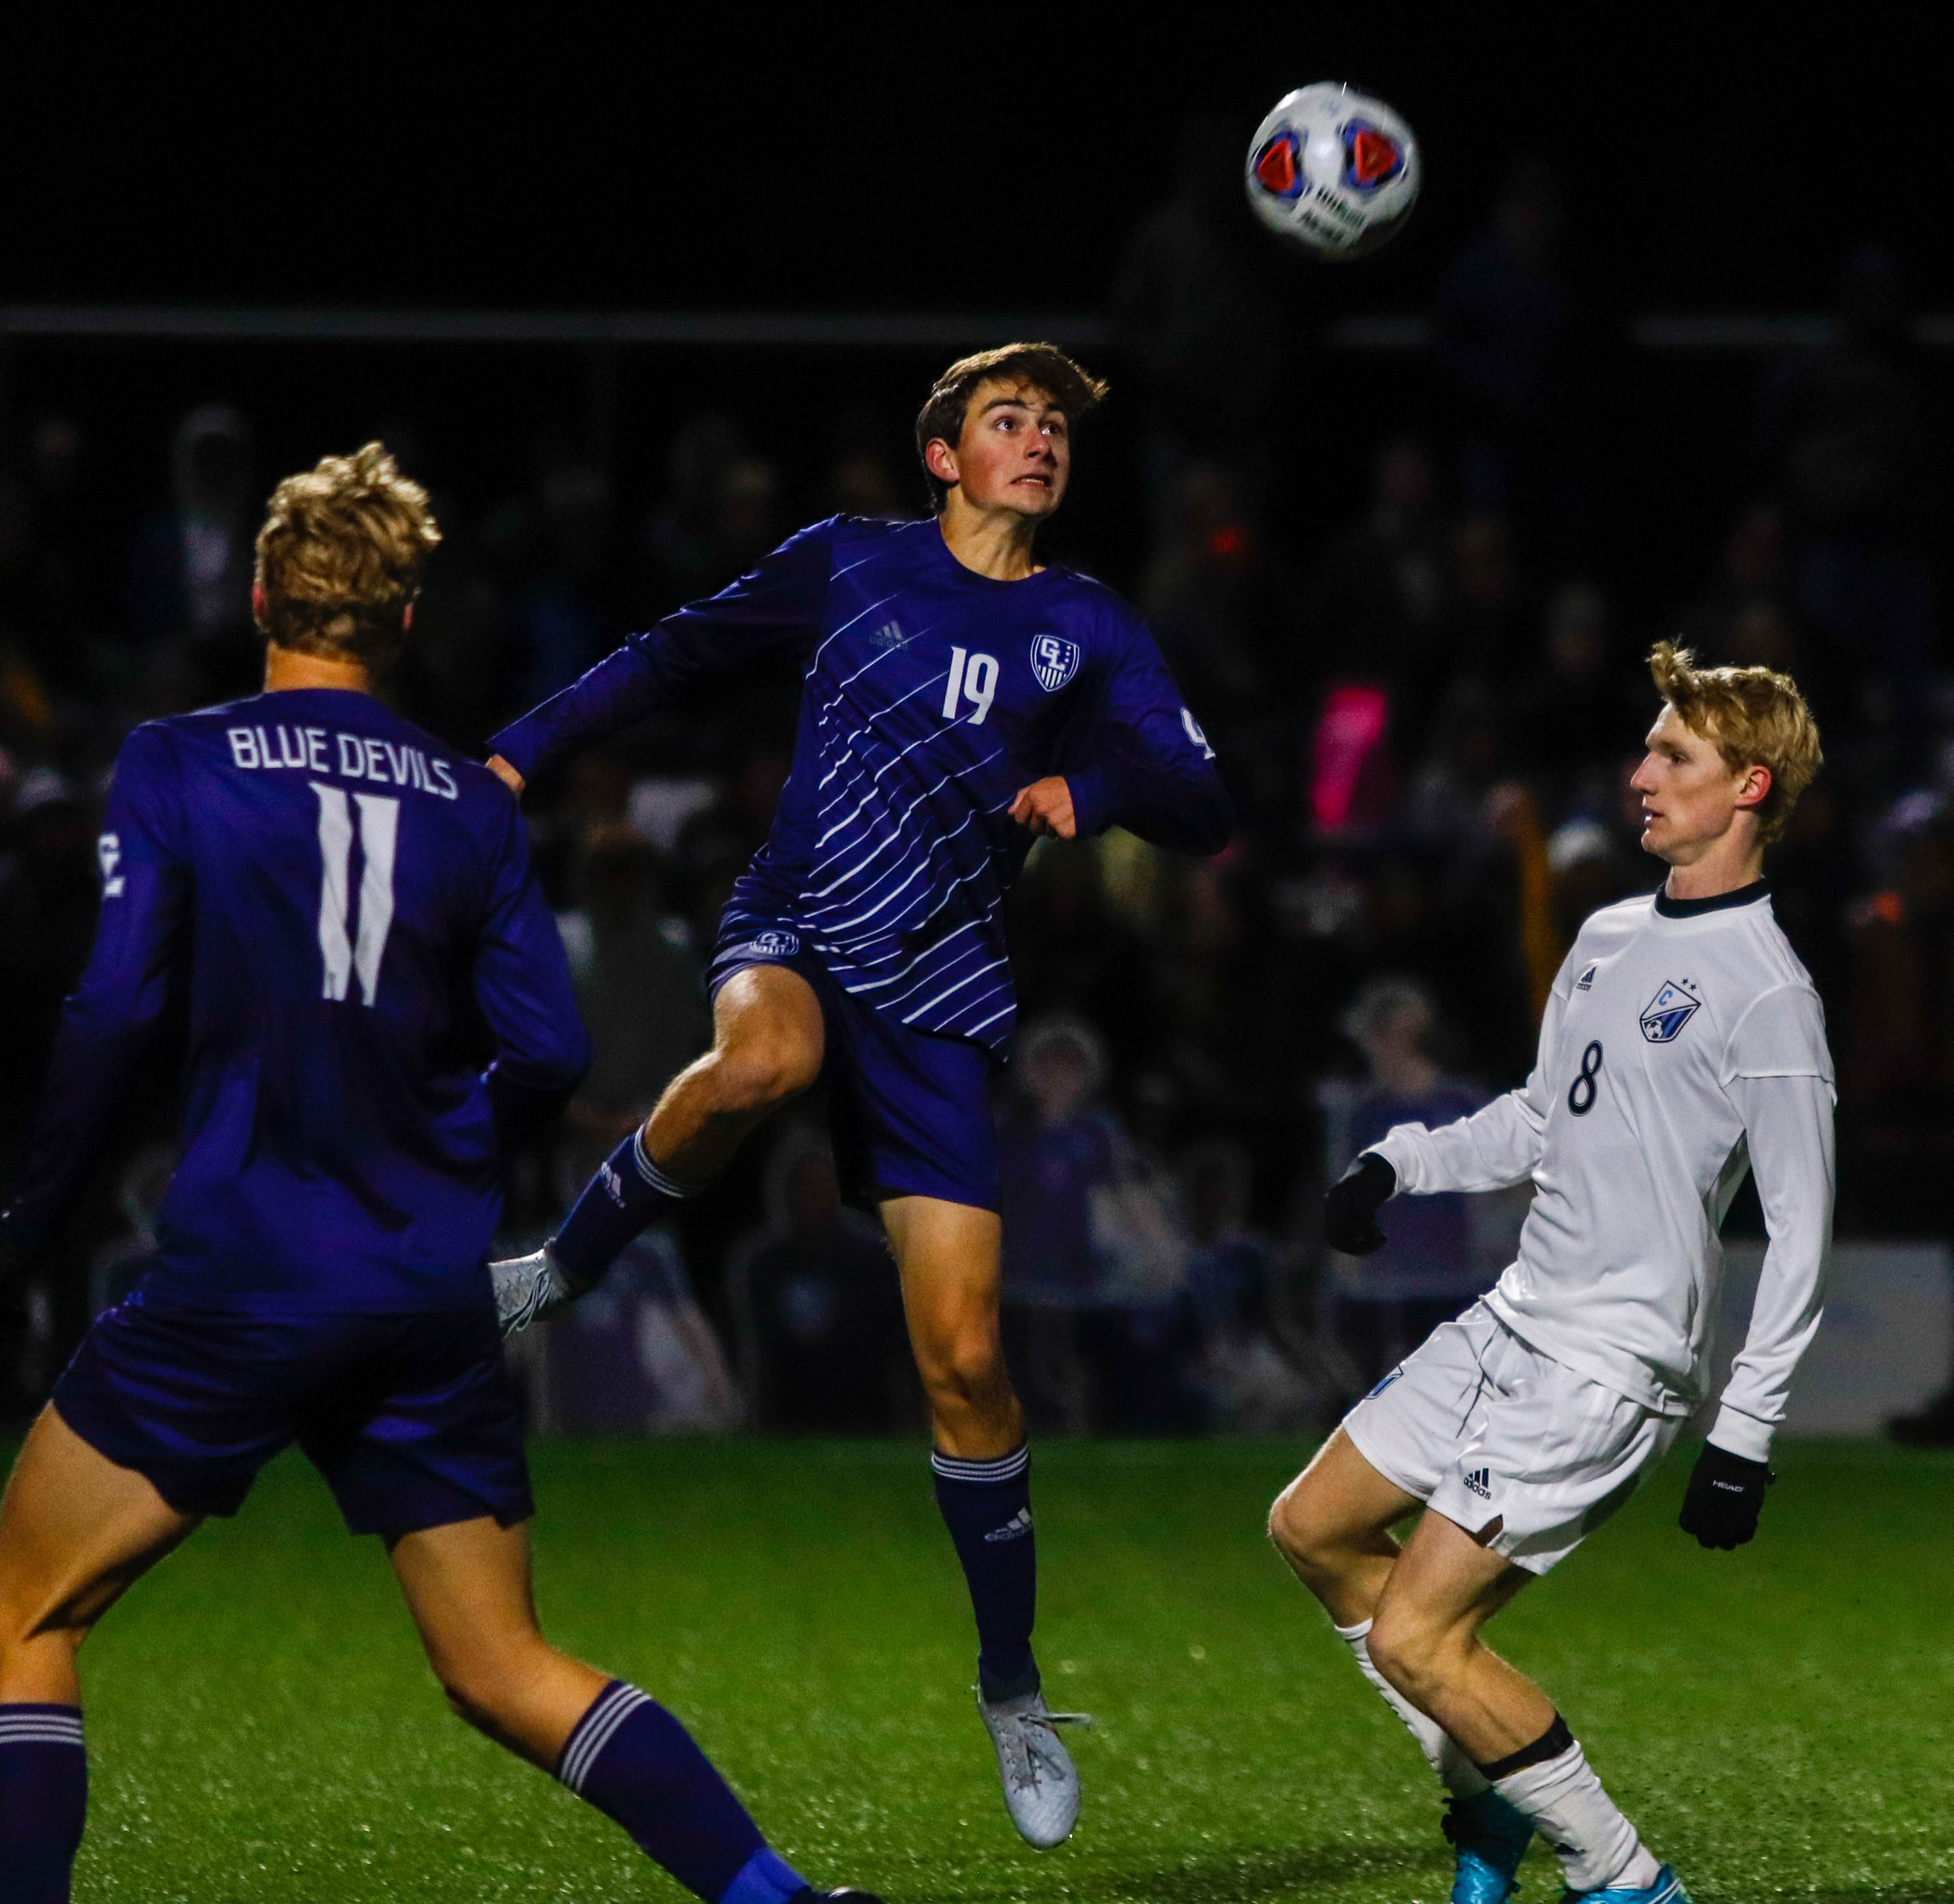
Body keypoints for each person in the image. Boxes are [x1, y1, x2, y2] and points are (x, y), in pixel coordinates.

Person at [0, 446, 877, 1904]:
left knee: (27, 1610)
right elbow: (548, 1044)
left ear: (265, 591)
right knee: (497, 1663)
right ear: (404, 620)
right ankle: (778, 1899)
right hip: (419, 1285)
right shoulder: (468, 803)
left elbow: (111, 1011)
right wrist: (437, 1148)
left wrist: (36, 1216)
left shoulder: (177, 760)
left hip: (242, 1273)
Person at [487, 342, 1233, 1848]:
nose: (1039, 441)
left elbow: (1207, 803)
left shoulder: (1086, 625)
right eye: (1005, 420)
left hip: (946, 986)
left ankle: (1013, 1690)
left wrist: (1102, 791)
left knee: (967, 1366)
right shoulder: (850, 564)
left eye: (1054, 426)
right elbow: (673, 651)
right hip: (802, 918)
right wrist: (518, 749)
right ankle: (561, 1267)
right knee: (766, 1057)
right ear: (943, 456)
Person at [1269, 642, 1831, 1904]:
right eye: (1646, 746)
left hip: (1611, 1360)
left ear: (1748, 786)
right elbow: (1540, 1116)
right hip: (1517, 1314)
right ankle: (1494, 1787)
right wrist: (1399, 1163)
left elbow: (1799, 1227)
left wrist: (1744, 1430)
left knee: (1418, 1633)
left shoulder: (1769, 996)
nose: (1638, 774)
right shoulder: (1608, 931)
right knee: (1312, 1527)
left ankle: (1624, 1876)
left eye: (1671, 755)